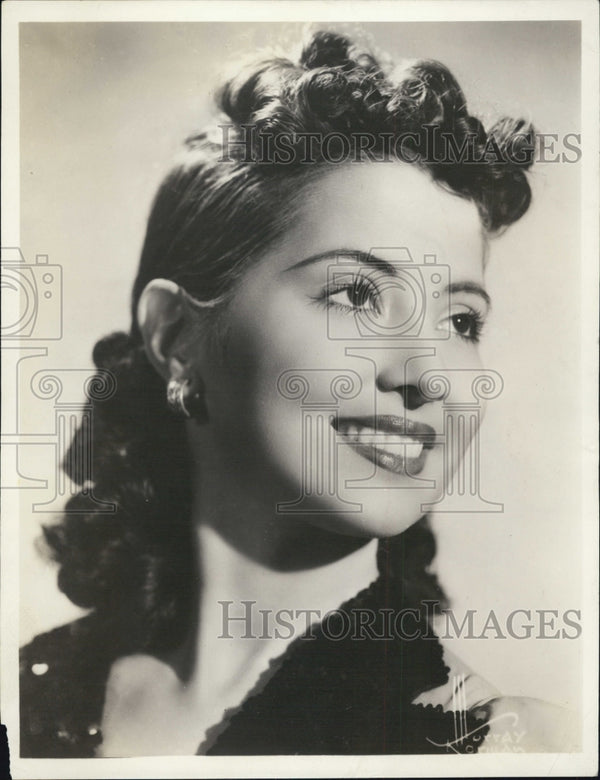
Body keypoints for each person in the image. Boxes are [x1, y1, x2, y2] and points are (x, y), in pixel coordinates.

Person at [20, 28, 576, 757]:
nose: (428, 372)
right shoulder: (28, 693)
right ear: (176, 338)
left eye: (462, 319)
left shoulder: (506, 745)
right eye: (353, 292)